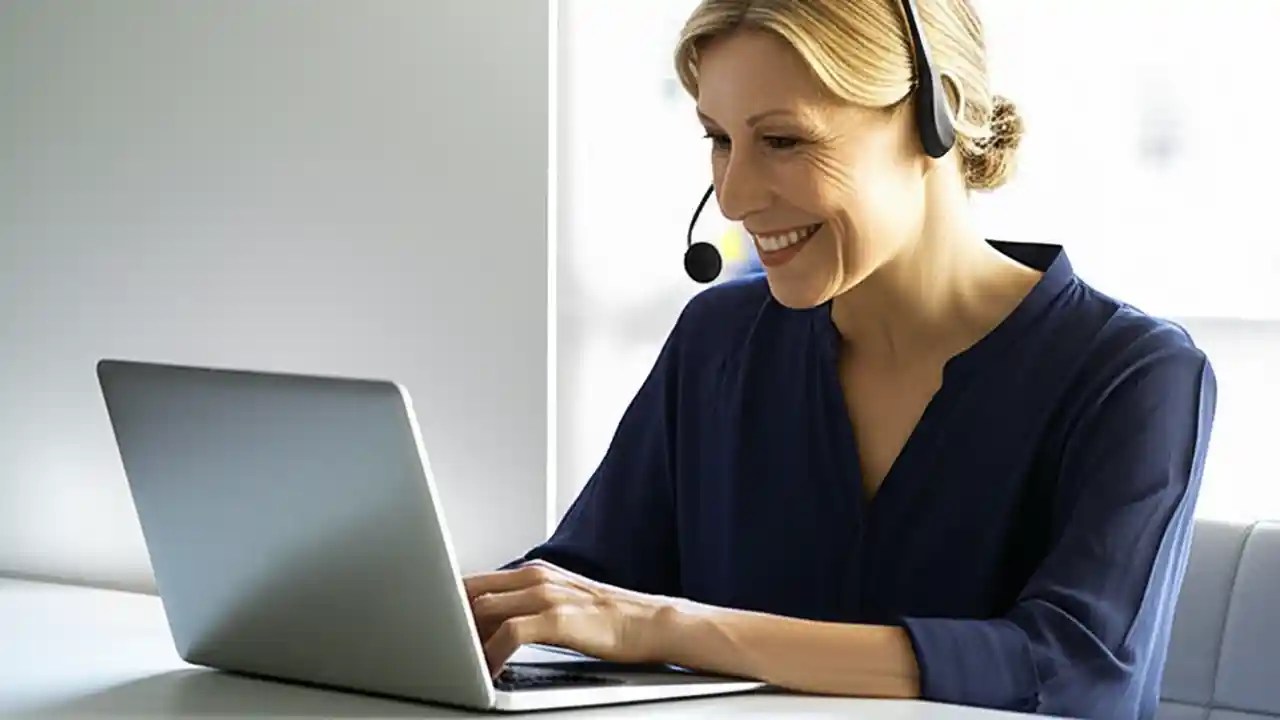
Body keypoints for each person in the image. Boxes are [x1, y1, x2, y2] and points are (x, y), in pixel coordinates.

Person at [463, 1, 1217, 717]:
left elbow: (1075, 675)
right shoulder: (718, 341)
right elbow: (582, 590)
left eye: (783, 140)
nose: (732, 197)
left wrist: (675, 628)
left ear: (936, 118)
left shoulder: (1133, 375)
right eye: (719, 140)